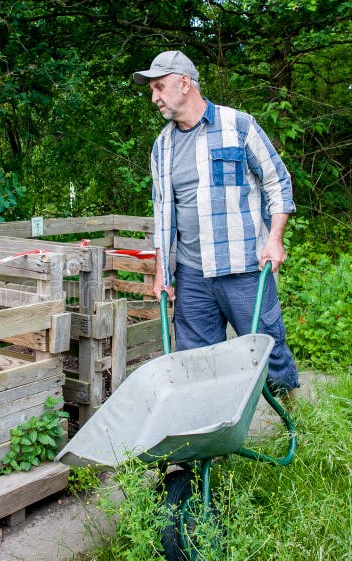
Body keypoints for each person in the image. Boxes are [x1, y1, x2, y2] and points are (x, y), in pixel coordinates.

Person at [133, 50, 300, 398]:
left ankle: (293, 417)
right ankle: (209, 429)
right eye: (152, 90)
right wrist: (163, 270)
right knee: (195, 366)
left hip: (244, 268)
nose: (154, 98)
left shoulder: (238, 125)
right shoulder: (162, 146)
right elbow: (162, 212)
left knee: (268, 354)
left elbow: (277, 181)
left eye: (159, 87)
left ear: (184, 83)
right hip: (192, 275)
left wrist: (275, 239)